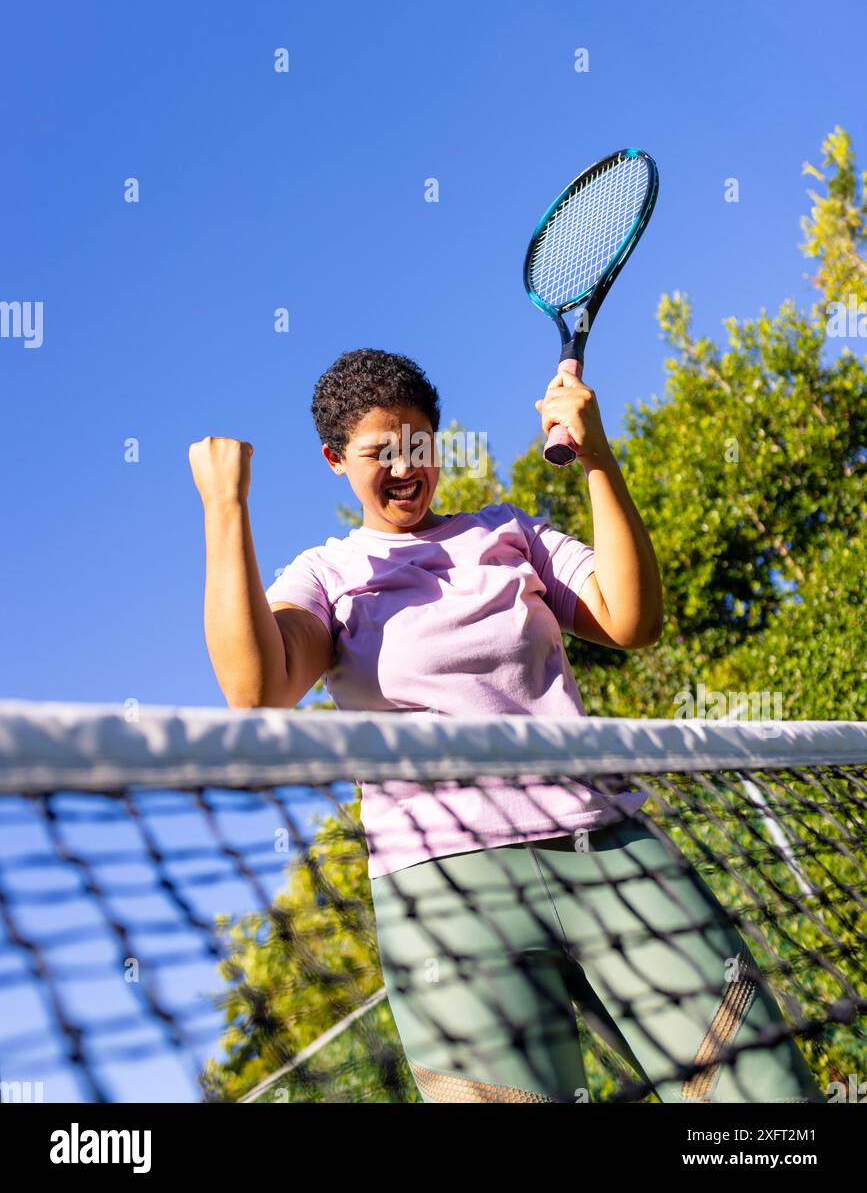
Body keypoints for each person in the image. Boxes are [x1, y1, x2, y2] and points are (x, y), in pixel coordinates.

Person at [189, 347, 821, 1104]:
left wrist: (595, 458)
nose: (404, 467)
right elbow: (255, 691)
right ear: (333, 460)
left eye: (417, 444)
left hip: (607, 849)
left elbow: (632, 620)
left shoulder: (508, 532)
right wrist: (225, 508)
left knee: (766, 1103)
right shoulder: (326, 575)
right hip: (444, 902)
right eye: (377, 453)